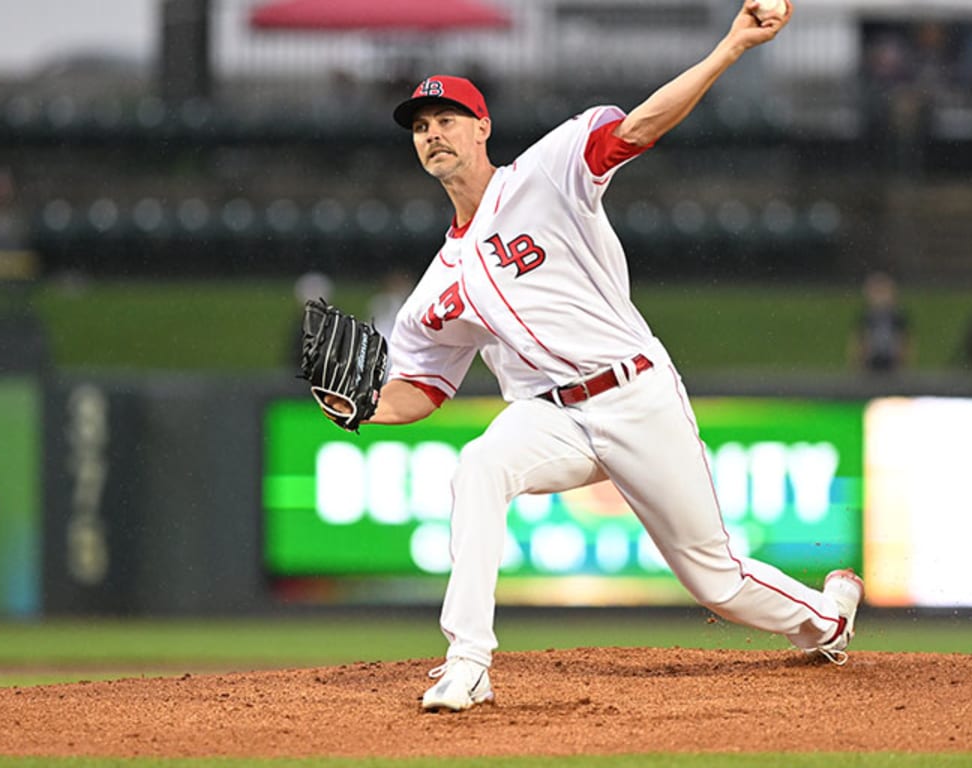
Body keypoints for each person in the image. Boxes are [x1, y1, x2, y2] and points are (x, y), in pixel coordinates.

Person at [321, 0, 863, 713]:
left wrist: (732, 45)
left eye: (447, 119)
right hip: (549, 418)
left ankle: (827, 618)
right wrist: (359, 408)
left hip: (636, 395)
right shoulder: (434, 290)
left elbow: (637, 128)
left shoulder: (546, 175)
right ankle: (468, 660)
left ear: (483, 127)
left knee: (717, 583)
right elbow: (422, 387)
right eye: (421, 128)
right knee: (479, 466)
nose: (433, 134)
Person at [847, 271, 909, 373]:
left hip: (892, 362)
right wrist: (857, 362)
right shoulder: (866, 317)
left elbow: (904, 340)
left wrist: (903, 362)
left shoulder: (897, 317)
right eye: (876, 292)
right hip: (871, 362)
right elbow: (858, 341)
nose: (880, 298)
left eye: (883, 292)